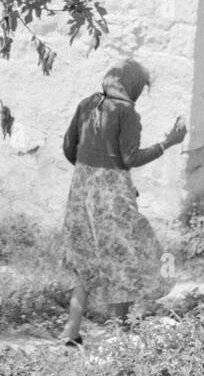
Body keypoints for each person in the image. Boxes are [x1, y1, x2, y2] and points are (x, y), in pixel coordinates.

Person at [59, 58, 187, 346]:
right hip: (111, 195)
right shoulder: (127, 112)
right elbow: (129, 158)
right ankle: (120, 334)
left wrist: (89, 172)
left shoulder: (86, 104)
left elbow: (70, 148)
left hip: (81, 192)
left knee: (86, 260)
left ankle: (71, 331)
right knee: (126, 258)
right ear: (133, 87)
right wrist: (167, 143)